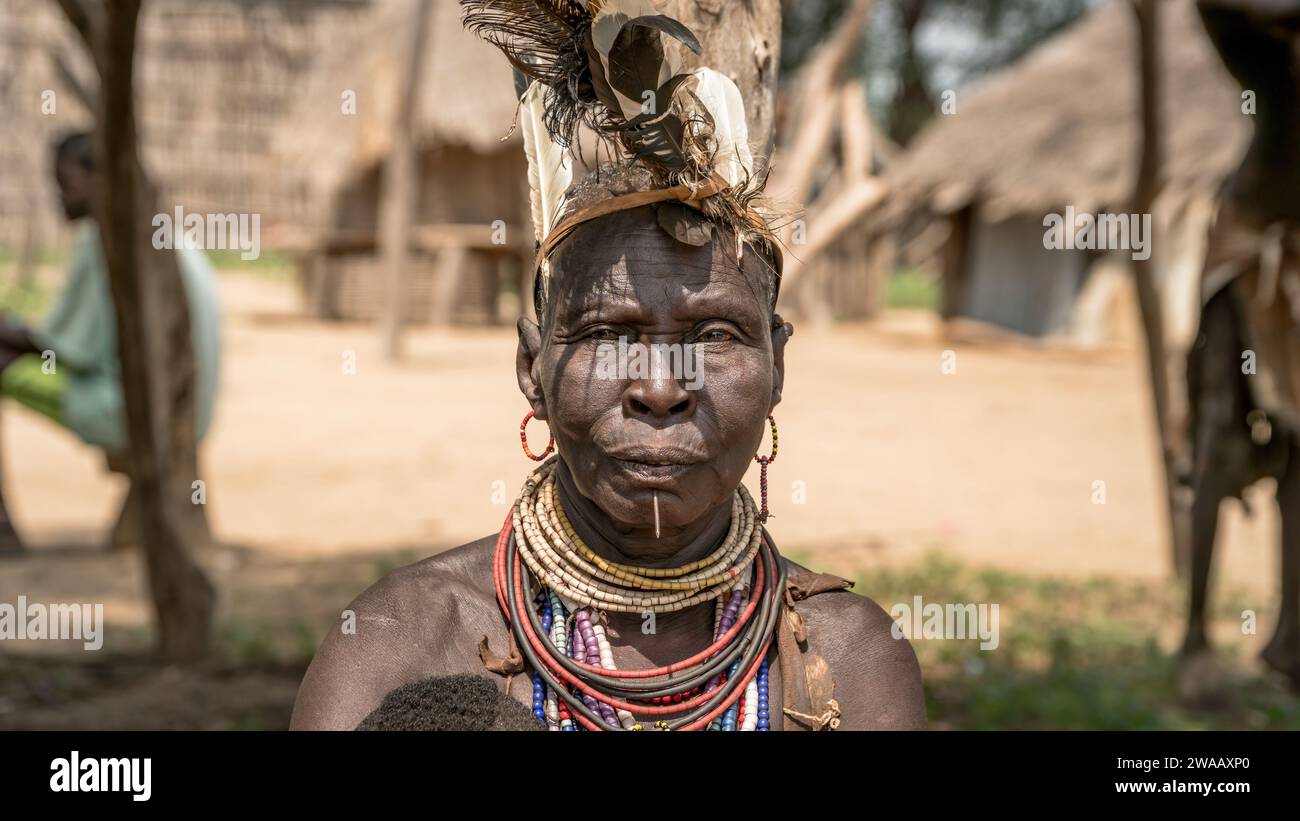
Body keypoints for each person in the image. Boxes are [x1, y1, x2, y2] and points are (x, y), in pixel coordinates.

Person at [292, 0, 925, 731]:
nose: (659, 387)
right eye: (606, 332)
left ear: (776, 366)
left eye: (714, 333)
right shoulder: (403, 642)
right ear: (533, 366)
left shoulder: (848, 661)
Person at [0, 131, 222, 554]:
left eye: (66, 181)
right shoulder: (164, 232)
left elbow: (60, 348)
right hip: (189, 409)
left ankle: (1, 526)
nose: (59, 195)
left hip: (133, 410)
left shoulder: (106, 240)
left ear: (101, 180)